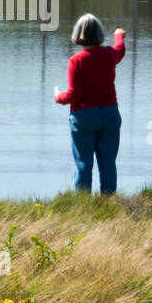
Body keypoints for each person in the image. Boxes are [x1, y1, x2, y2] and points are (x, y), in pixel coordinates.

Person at [54, 14, 126, 194]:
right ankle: (109, 202)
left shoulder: (76, 61)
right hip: (110, 114)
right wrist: (118, 35)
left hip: (84, 116)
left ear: (78, 34)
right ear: (100, 34)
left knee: (84, 164)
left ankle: (83, 206)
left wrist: (58, 97)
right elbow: (120, 49)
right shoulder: (109, 54)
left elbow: (74, 95)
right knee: (108, 164)